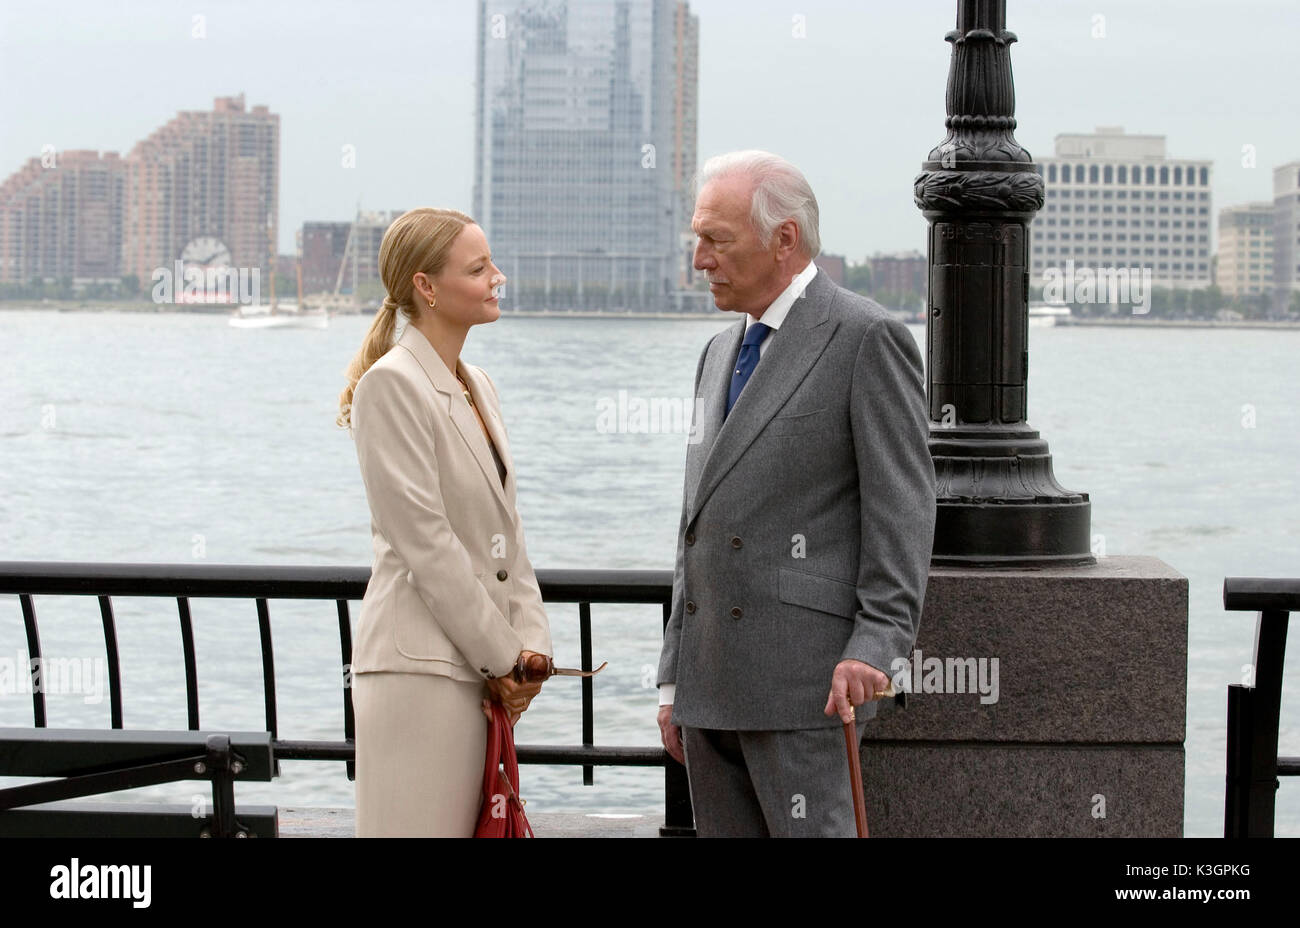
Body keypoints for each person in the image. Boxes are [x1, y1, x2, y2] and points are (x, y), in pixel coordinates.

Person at [655, 151, 937, 837]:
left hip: (808, 688)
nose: (700, 260)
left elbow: (902, 511)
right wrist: (672, 678)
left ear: (784, 239)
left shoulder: (866, 337)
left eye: (715, 239)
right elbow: (696, 522)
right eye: (697, 238)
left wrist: (875, 647)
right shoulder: (718, 351)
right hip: (707, 687)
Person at [338, 207, 552, 838]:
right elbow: (426, 543)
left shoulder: (477, 383)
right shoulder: (392, 385)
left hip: (479, 672)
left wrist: (531, 654)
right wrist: (506, 658)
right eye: (479, 268)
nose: (498, 277)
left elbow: (507, 536)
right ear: (426, 287)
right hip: (419, 676)